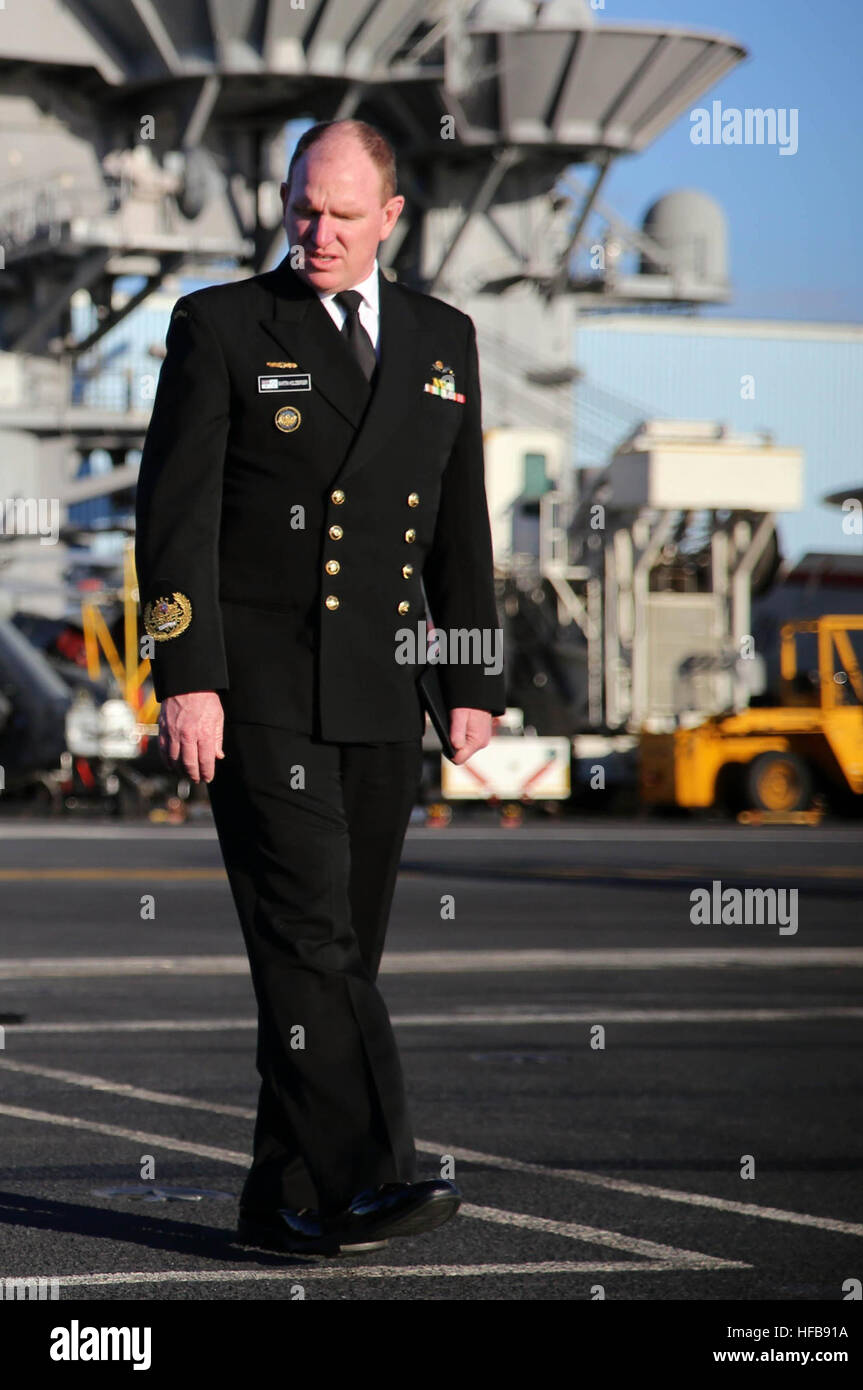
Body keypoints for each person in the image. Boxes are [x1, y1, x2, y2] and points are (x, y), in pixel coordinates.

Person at [134, 119, 506, 1256]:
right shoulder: (224, 324)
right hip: (257, 692)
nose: (321, 232)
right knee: (308, 944)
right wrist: (187, 676)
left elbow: (459, 526)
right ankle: (369, 1177)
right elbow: (175, 519)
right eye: (305, 207)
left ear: (392, 219)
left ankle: (277, 1195)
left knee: (337, 953)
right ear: (283, 201)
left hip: (383, 695)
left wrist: (468, 676)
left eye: (345, 214)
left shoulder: (445, 339)